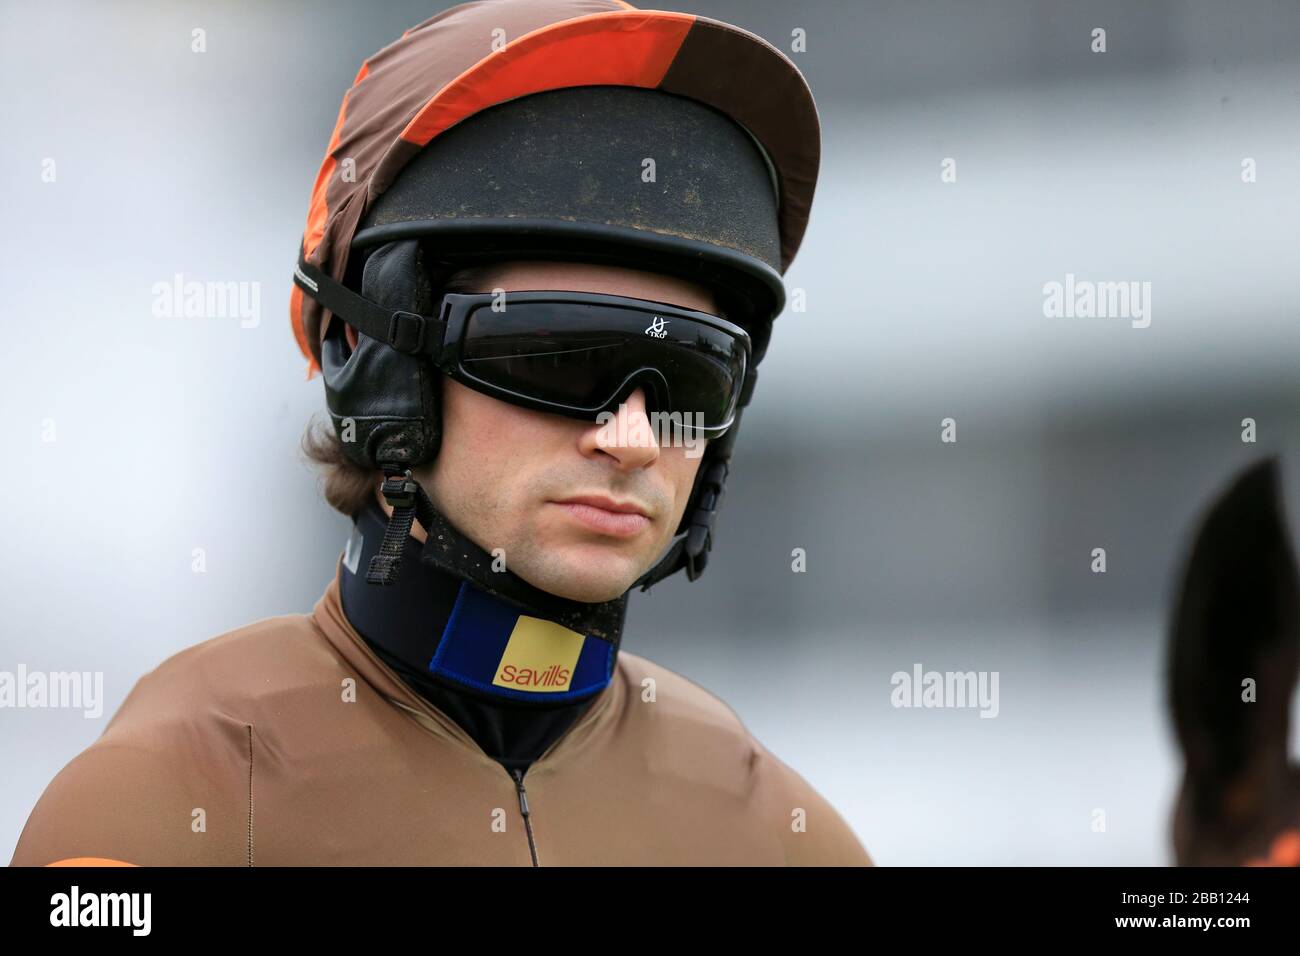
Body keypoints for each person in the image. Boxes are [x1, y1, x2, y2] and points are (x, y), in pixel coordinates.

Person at [10, 0, 872, 866]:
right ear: (372, 354)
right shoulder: (169, 800)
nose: (634, 438)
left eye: (689, 375)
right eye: (559, 360)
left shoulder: (775, 828)